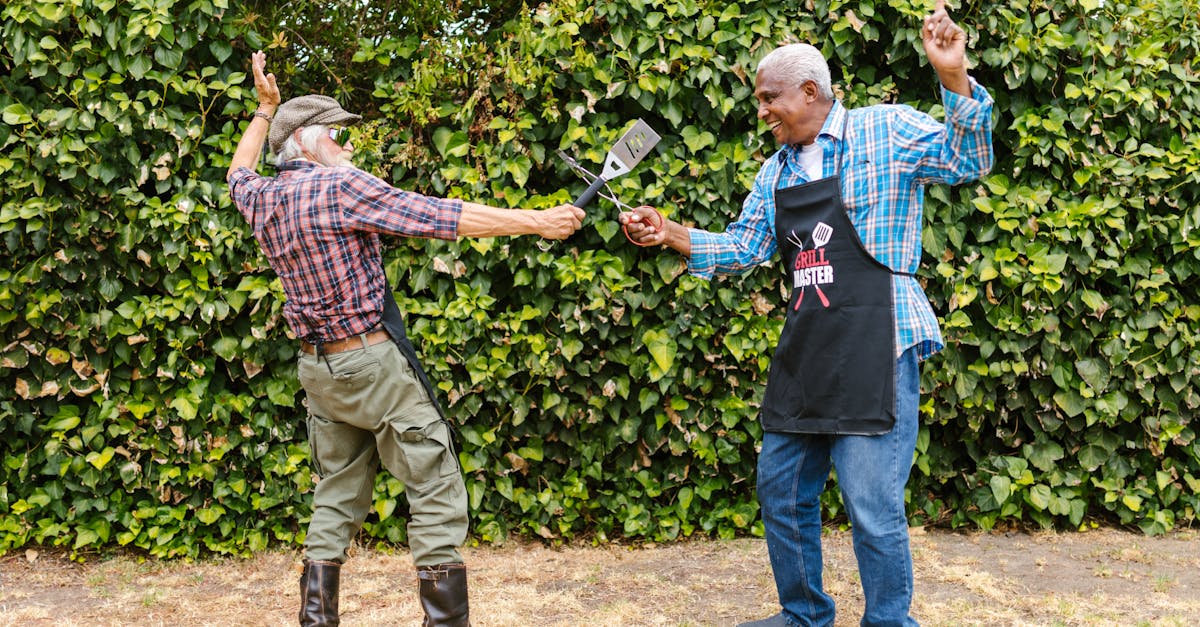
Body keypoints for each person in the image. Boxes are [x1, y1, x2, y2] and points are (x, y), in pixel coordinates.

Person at [619, 2, 992, 625]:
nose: (762, 111)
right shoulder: (776, 171)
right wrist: (669, 232)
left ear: (809, 91)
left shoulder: (886, 130)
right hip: (809, 348)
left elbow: (968, 160)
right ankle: (805, 615)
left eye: (769, 99)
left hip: (881, 340)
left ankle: (889, 621)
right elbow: (743, 247)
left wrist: (954, 80)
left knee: (872, 507)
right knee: (782, 492)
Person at [226, 51, 585, 627]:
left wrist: (264, 111)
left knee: (336, 492)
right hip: (372, 364)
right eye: (338, 136)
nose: (347, 147)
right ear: (312, 141)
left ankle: (317, 620)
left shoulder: (261, 199)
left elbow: (237, 171)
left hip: (319, 374)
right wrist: (538, 221)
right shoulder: (342, 186)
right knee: (434, 481)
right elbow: (440, 216)